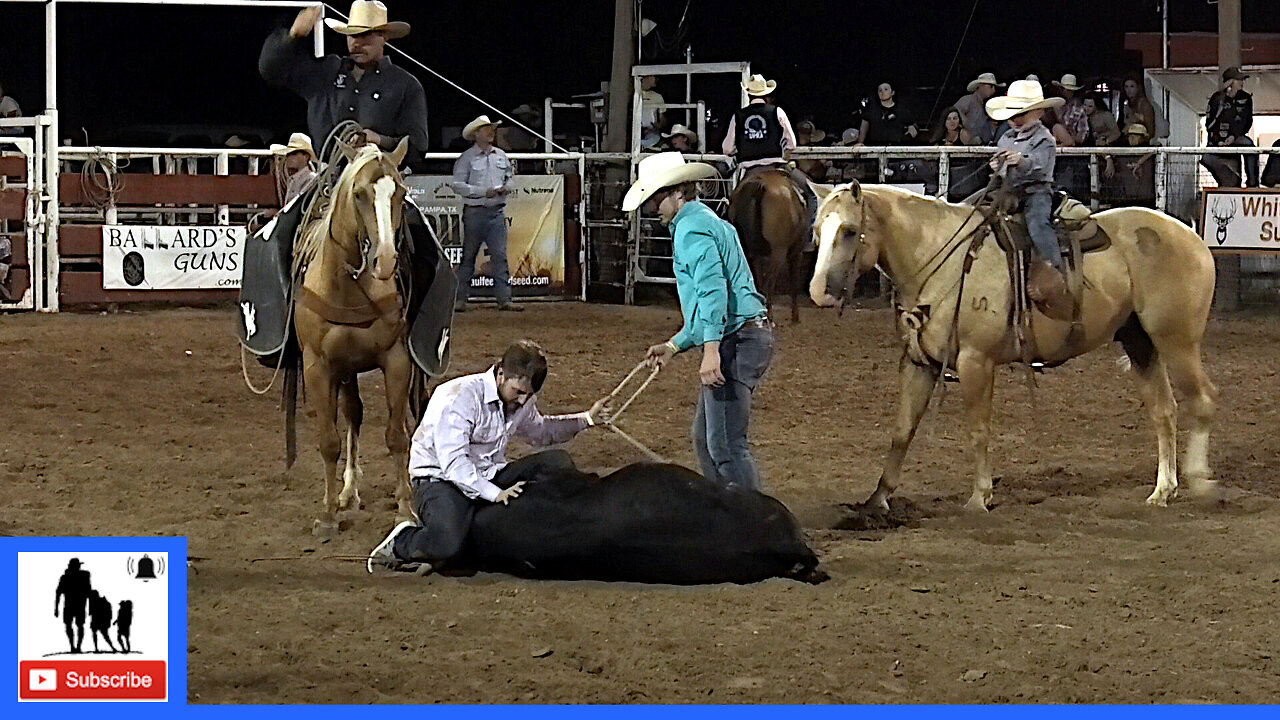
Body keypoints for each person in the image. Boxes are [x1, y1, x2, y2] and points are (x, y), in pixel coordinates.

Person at [367, 340, 613, 574]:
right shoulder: (459, 397)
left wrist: (587, 419)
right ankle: (403, 541)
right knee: (448, 544)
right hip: (439, 479)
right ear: (501, 374)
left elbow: (541, 431)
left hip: (488, 472)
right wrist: (496, 494)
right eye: (518, 392)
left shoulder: (520, 399)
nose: (523, 400)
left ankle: (477, 523)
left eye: (528, 394)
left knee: (557, 462)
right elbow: (454, 465)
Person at [622, 152, 773, 491]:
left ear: (679, 193)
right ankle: (726, 512)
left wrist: (711, 350)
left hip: (737, 338)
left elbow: (712, 292)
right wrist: (675, 345)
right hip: (745, 334)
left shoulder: (690, 229)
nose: (653, 207)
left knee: (724, 445)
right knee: (710, 440)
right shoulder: (705, 221)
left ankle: (751, 520)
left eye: (659, 197)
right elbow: (709, 300)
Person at [259, 2, 428, 159]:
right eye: (352, 35)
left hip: (380, 177)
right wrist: (291, 37)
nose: (356, 43)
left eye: (364, 35)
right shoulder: (326, 72)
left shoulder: (405, 85)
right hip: (328, 178)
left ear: (383, 37)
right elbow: (272, 71)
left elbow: (418, 147)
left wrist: (379, 140)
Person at [986, 79, 1069, 312]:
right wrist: (998, 166)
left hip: (1037, 192)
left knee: (1037, 224)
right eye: (1013, 114)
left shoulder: (1045, 138)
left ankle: (1054, 269)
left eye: (1022, 113)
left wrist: (1021, 161)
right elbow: (1004, 168)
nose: (1016, 119)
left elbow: (1041, 166)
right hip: (1010, 191)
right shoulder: (1006, 138)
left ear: (1039, 112)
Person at [721, 74, 817, 228]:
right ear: (766, 94)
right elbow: (792, 144)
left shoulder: (737, 116)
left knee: (730, 204)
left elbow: (727, 149)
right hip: (776, 166)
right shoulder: (777, 112)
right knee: (811, 195)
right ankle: (809, 235)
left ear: (749, 94)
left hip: (748, 170)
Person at [451, 115, 522, 312]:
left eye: (490, 129)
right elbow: (457, 185)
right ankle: (461, 298)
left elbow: (510, 178)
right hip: (476, 212)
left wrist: (506, 187)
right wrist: (483, 192)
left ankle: (504, 299)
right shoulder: (467, 158)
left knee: (499, 256)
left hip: (495, 212)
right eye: (486, 129)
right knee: (469, 257)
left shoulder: (500, 155)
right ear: (476, 134)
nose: (490, 132)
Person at [1201, 66, 1259, 188]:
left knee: (1250, 147)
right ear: (1230, 82)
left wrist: (1233, 136)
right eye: (1239, 80)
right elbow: (1210, 123)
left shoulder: (1246, 98)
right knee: (1211, 158)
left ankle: (1253, 184)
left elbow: (1246, 122)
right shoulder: (1217, 98)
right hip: (1217, 140)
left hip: (1236, 137)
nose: (1242, 82)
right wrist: (1219, 140)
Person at [857, 81, 919, 146]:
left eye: (886, 89)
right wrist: (860, 143)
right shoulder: (871, 110)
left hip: (896, 148)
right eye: (880, 90)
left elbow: (913, 127)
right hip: (875, 148)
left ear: (892, 92)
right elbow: (863, 129)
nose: (882, 92)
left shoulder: (902, 110)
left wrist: (911, 130)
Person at [269, 132, 318, 206]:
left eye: (294, 154)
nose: (289, 158)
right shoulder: (291, 180)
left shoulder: (310, 179)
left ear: (306, 156)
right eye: (288, 154)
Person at [54, 558, 92, 653]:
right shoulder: (83, 576)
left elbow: (58, 593)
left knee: (74, 625)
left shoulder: (68, 577)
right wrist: (56, 608)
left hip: (73, 605)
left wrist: (56, 608)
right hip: (77, 604)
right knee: (76, 625)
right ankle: (75, 646)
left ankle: (75, 646)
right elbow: (89, 591)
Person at [954, 72, 1003, 145]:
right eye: (991, 86)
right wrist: (966, 125)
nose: (994, 90)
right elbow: (954, 111)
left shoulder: (982, 104)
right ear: (981, 86)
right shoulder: (968, 99)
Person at [1052, 73, 1089, 145]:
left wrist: (1072, 138)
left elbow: (1083, 133)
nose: (1066, 92)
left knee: (1057, 127)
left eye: (1069, 90)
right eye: (1064, 89)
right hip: (1056, 142)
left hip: (1073, 144)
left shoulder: (1078, 109)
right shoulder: (1055, 105)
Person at [639, 74, 666, 149]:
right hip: (633, 128)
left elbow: (662, 118)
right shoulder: (633, 93)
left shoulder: (657, 97)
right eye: (655, 77)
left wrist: (659, 125)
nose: (657, 80)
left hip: (650, 130)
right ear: (647, 76)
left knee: (655, 138)